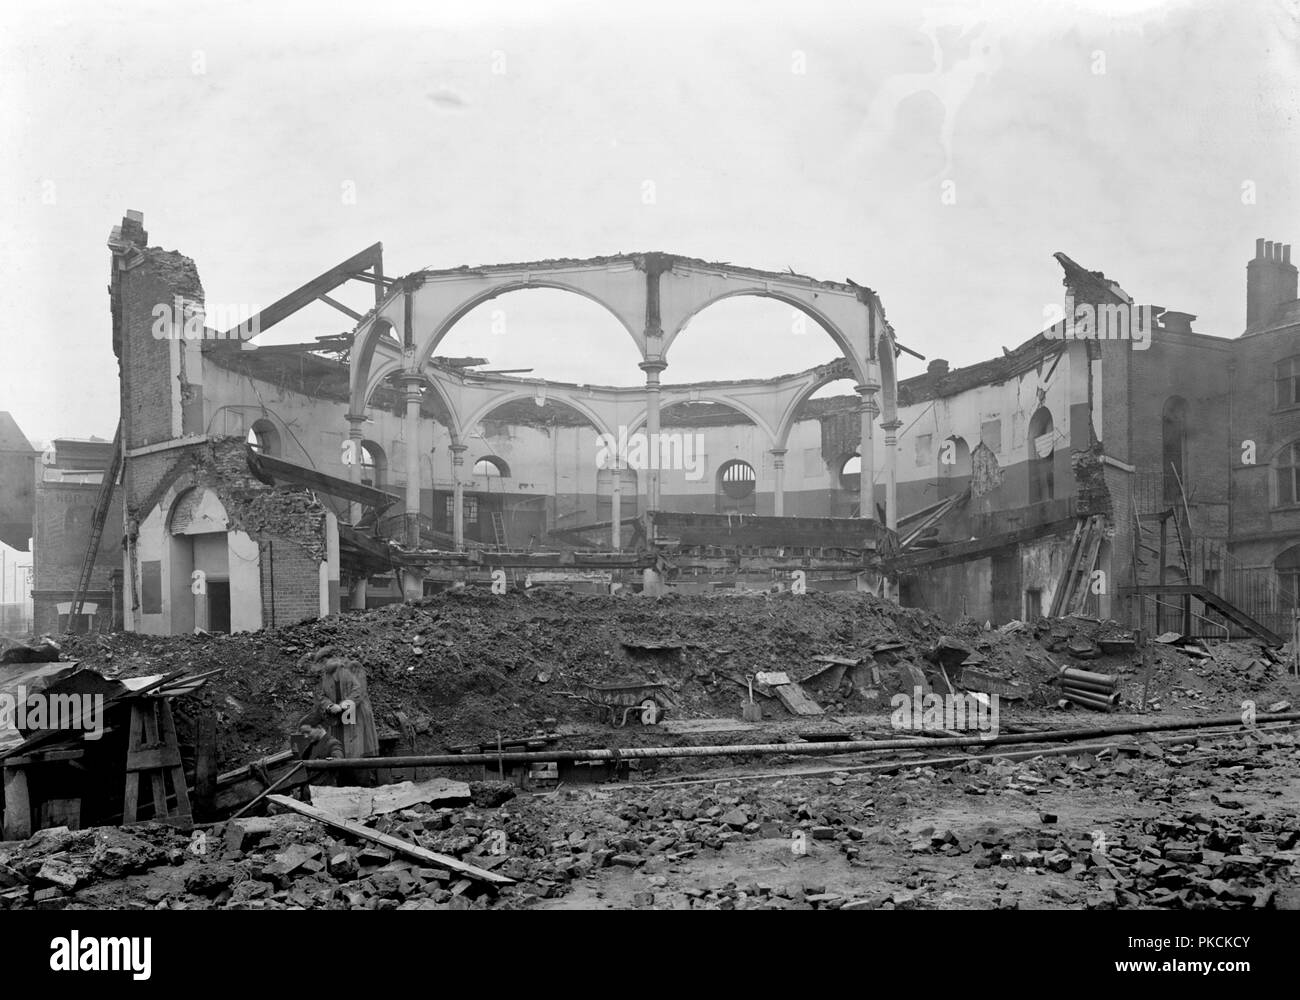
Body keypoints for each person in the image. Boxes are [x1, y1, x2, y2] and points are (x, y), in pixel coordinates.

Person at [310, 654, 379, 786]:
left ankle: (363, 786)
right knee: (340, 750)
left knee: (356, 751)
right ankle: (344, 785)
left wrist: (342, 706)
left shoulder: (351, 668)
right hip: (337, 719)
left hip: (355, 716)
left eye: (325, 661)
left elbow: (359, 691)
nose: (324, 666)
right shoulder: (326, 676)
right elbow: (322, 696)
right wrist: (329, 706)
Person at [295, 713, 344, 793]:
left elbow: (338, 758)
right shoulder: (311, 746)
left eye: (308, 732)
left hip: (323, 793)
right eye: (304, 733)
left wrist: (332, 761)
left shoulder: (332, 743)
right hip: (308, 792)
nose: (306, 736)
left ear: (319, 727)